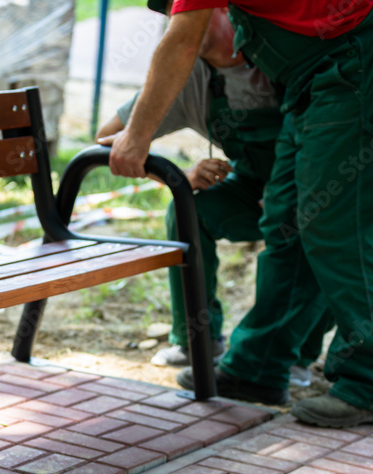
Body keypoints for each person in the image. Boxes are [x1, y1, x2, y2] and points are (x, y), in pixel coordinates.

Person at [102, 0, 373, 427]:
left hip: (353, 63)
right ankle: (257, 370)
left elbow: (182, 38)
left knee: (342, 229)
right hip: (309, 82)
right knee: (286, 221)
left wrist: (137, 136)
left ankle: (368, 383)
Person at [96, 3, 331, 386]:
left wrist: (288, 191)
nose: (180, 20)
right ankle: (197, 341)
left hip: (312, 185)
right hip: (252, 187)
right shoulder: (184, 78)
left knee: (319, 230)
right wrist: (180, 175)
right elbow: (108, 139)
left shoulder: (277, 53)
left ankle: (295, 356)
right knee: (188, 210)